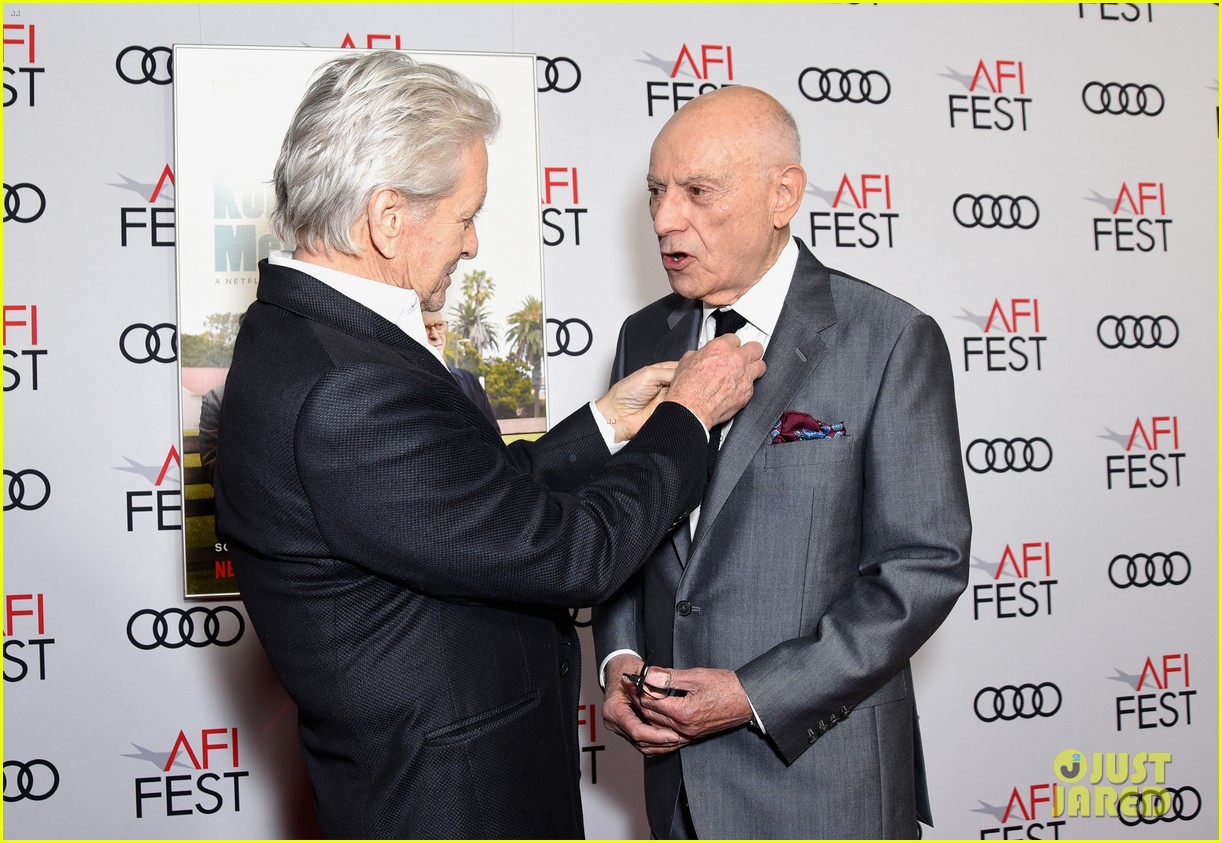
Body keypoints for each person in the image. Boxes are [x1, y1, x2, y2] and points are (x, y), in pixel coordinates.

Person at [213, 51, 765, 839]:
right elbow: (575, 554)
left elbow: (462, 504)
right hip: (456, 806)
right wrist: (689, 416)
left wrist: (605, 420)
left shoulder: (305, 338)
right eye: (466, 215)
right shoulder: (347, 386)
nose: (472, 244)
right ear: (388, 217)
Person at [593, 86, 971, 839]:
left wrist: (753, 693)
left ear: (783, 195)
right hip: (677, 793)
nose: (668, 219)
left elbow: (922, 564)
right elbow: (622, 526)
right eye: (657, 193)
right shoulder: (644, 336)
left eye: (698, 191)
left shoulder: (890, 338)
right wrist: (619, 660)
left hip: (824, 786)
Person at [421, 308, 498, 427]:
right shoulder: (410, 382)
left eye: (440, 325)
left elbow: (494, 432)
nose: (435, 335)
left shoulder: (469, 380)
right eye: (426, 327)